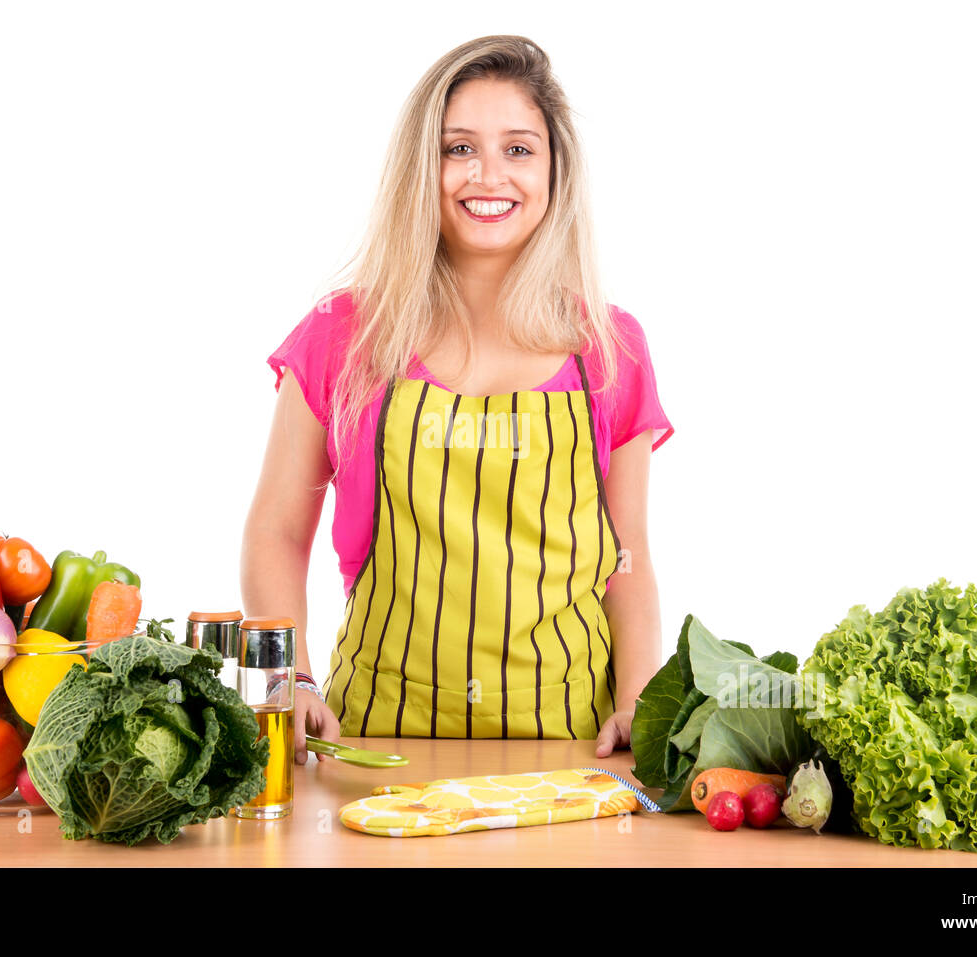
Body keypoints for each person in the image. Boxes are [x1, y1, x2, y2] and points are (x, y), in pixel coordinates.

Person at [242, 35, 673, 766]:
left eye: (518, 149)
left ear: (554, 170)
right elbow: (278, 533)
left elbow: (625, 558)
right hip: (372, 745)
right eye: (459, 148)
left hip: (572, 756)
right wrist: (292, 680)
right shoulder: (343, 336)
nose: (488, 174)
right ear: (423, 167)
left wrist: (638, 700)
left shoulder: (610, 347)